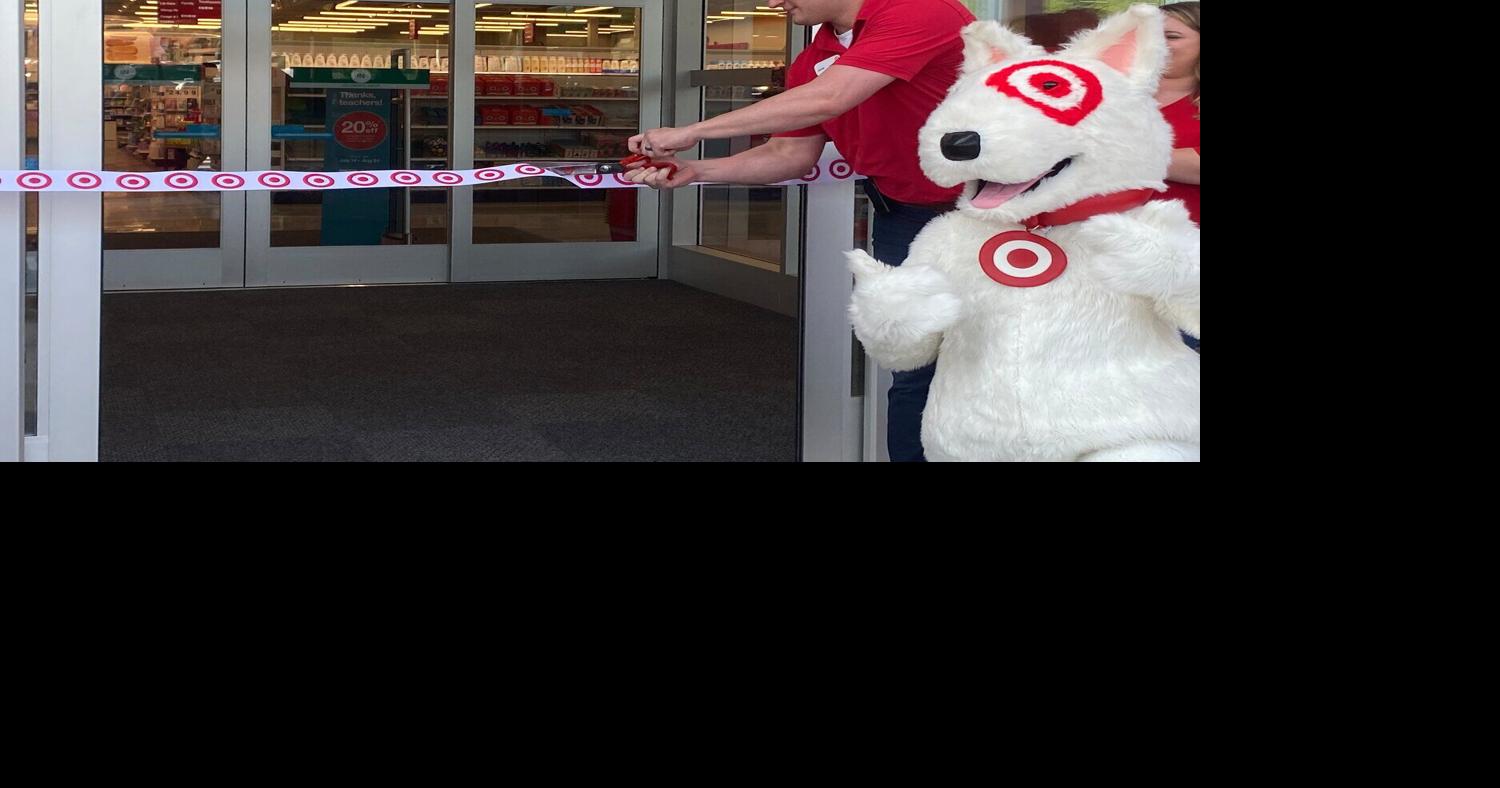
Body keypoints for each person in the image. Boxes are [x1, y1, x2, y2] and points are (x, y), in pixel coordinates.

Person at [624, 0, 976, 462]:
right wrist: (694, 168)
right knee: (914, 365)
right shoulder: (816, 57)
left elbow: (832, 98)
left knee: (997, 354)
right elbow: (789, 155)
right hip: (905, 217)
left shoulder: (919, 10)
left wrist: (693, 130)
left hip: (989, 214)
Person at [1155, 1, 1199, 351]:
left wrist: (1114, 153)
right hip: (1112, 247)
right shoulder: (1120, 93)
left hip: (1187, 257)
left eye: (1171, 36)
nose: (1158, 43)